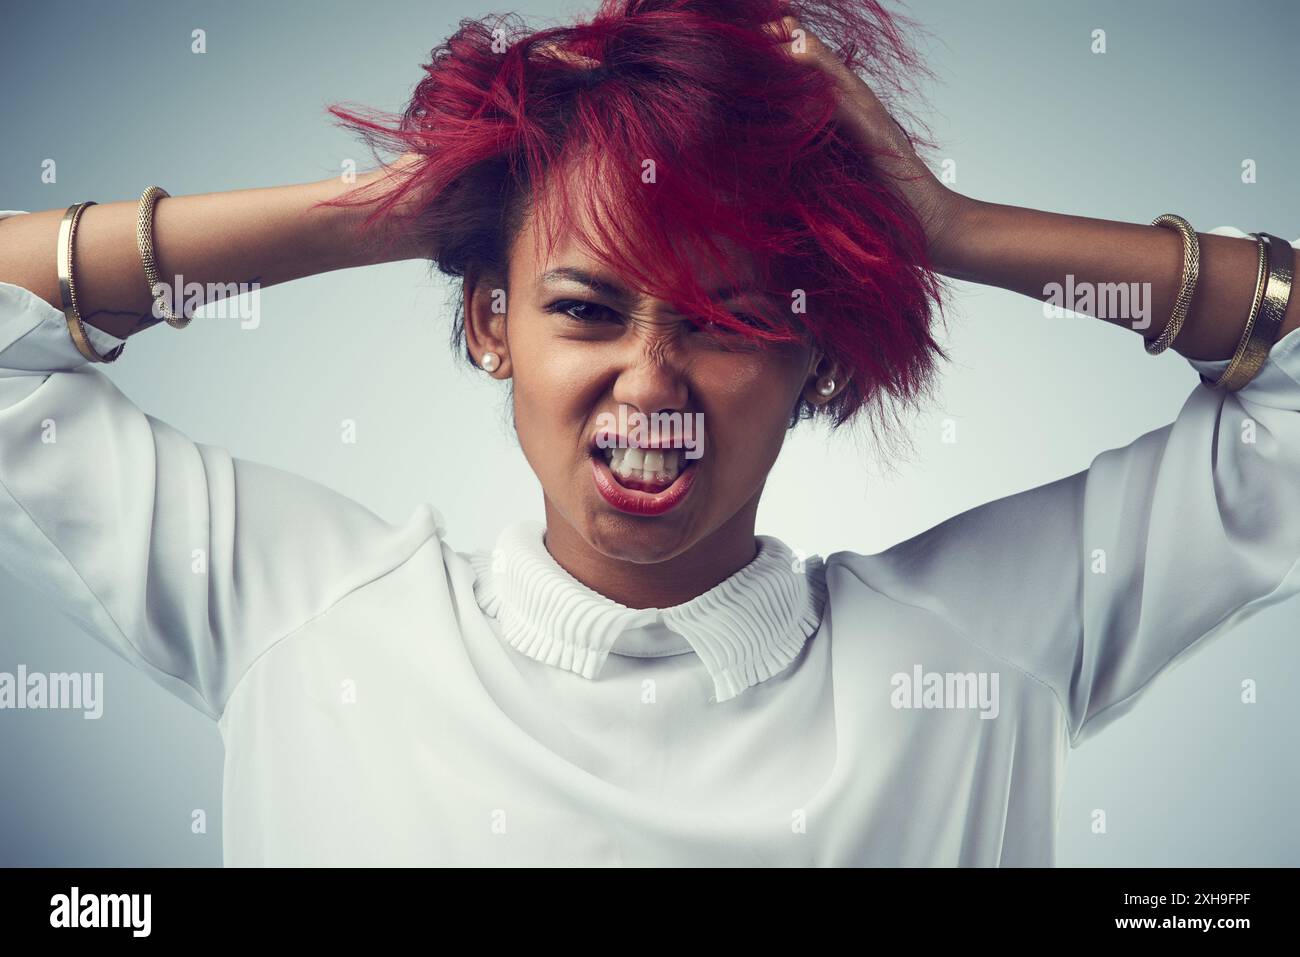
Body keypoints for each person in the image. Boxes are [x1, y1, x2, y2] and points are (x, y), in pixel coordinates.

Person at [0, 0, 1297, 866]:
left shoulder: (985, 643)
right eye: (586, 307)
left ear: (818, 354)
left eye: (728, 319)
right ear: (489, 327)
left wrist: (956, 229)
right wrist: (400, 204)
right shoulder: (299, 612)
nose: (650, 378)